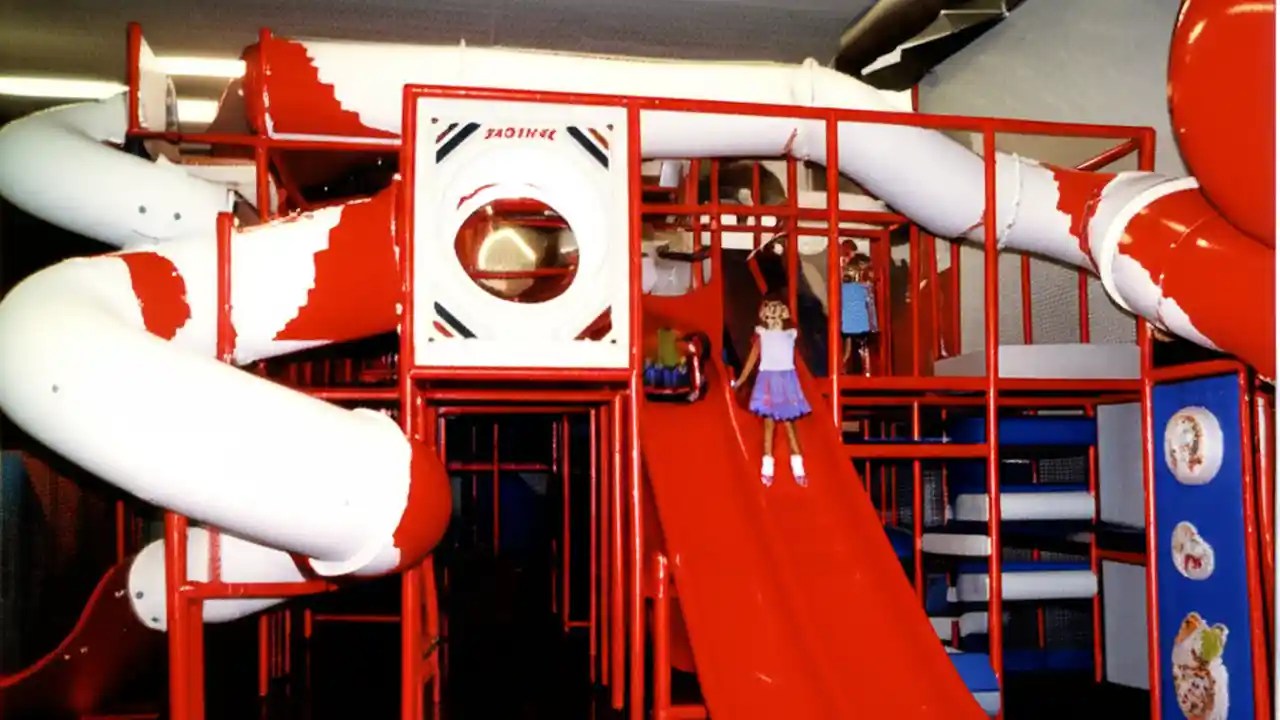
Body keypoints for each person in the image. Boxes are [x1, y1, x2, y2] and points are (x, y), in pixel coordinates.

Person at [732, 296, 811, 487]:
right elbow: (752, 360)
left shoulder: (789, 334)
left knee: (789, 425)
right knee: (770, 425)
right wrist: (740, 381)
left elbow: (752, 361)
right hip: (769, 380)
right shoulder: (764, 336)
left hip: (784, 380)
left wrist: (740, 381)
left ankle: (797, 467)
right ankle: (768, 467)